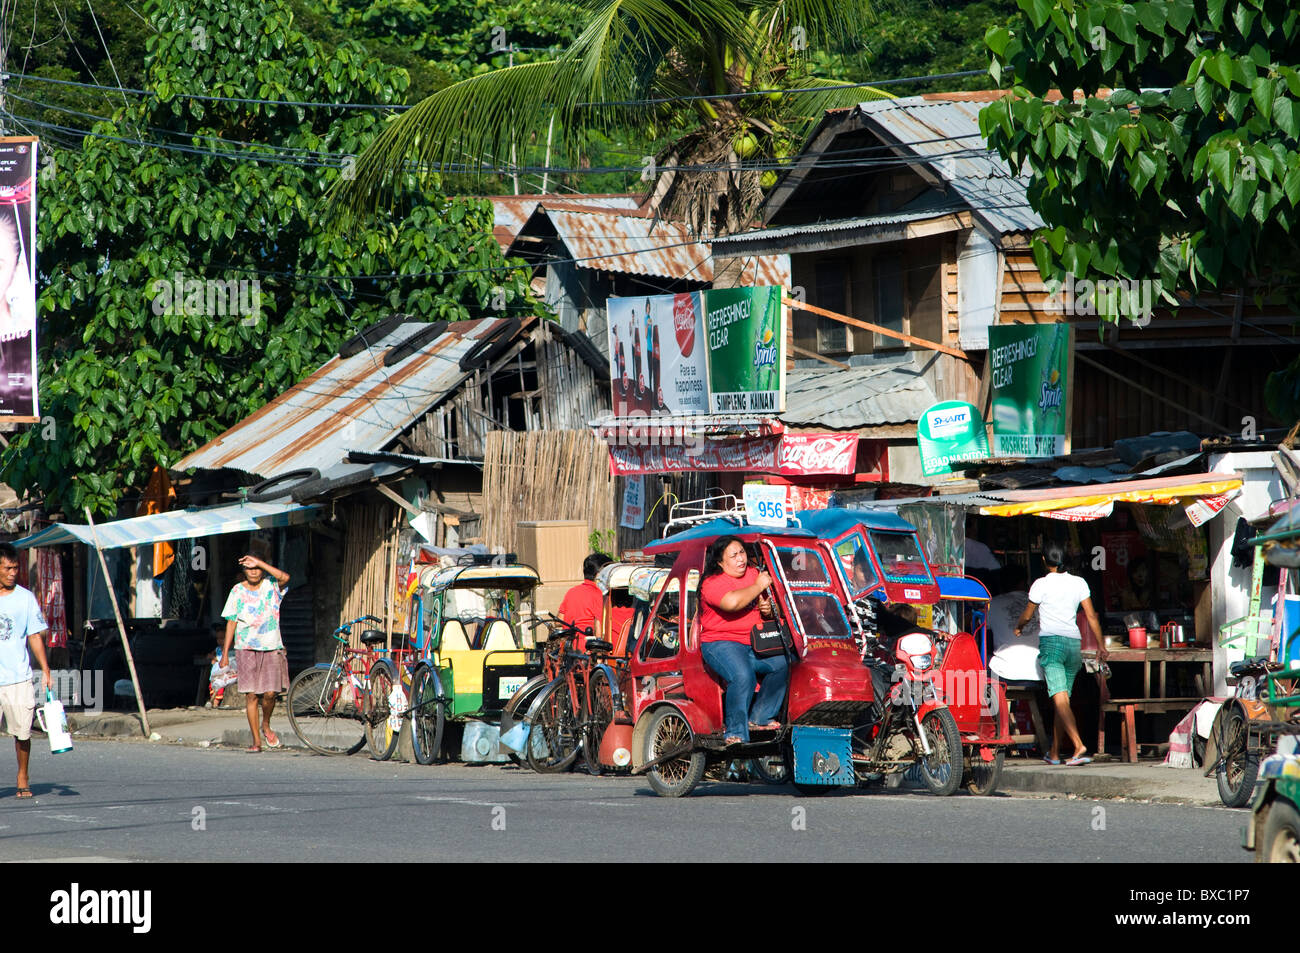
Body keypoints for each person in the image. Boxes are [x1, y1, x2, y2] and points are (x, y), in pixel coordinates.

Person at [1014, 543, 1108, 766]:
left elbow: (1028, 613)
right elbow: (1092, 616)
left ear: (1045, 561)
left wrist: (1019, 627)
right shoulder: (1079, 582)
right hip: (1073, 645)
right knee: (1062, 699)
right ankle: (1055, 752)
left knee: (1060, 699)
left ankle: (1078, 746)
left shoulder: (1041, 584)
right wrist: (1101, 645)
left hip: (1052, 645)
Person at [699, 536, 788, 745]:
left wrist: (768, 608)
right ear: (720, 562)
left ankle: (760, 717)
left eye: (742, 552)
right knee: (742, 676)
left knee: (783, 663)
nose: (741, 559)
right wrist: (758, 586)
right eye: (733, 555)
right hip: (720, 643)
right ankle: (735, 732)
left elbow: (773, 600)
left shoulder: (754, 573)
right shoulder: (711, 583)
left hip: (756, 641)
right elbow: (732, 602)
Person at [220, 553, 290, 752]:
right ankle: (256, 742)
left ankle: (265, 724)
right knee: (251, 696)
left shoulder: (272, 587)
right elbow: (231, 621)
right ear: (243, 571)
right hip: (245, 648)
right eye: (249, 568)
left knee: (269, 694)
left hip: (271, 646)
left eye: (256, 568)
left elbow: (285, 577)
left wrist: (260, 562)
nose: (253, 572)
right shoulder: (237, 591)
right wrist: (225, 653)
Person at [0, 543, 52, 798]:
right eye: (8, 568)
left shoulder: (25, 598)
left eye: (16, 568)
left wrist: (46, 669)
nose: (13, 573)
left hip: (18, 678)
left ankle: (23, 775)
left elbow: (34, 636)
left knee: (22, 733)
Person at [558, 553, 611, 648]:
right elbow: (598, 625)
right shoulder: (598, 594)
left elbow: (559, 620)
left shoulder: (571, 591)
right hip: (587, 649)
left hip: (568, 648)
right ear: (599, 575)